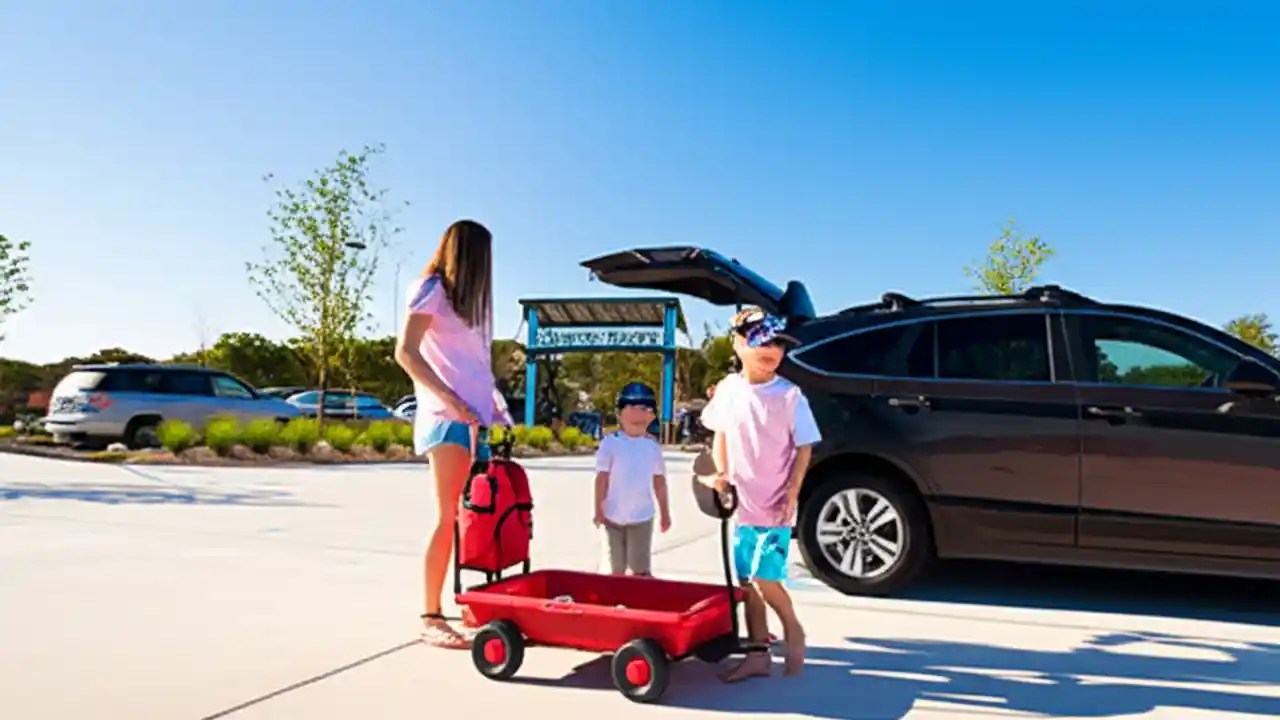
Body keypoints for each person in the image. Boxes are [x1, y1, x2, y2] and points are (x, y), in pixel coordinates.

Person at [395, 219, 511, 649]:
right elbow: (405, 352)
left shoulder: (466, 306)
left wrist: (493, 407)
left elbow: (474, 365)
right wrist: (452, 398)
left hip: (472, 421)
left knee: (468, 518)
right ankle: (430, 614)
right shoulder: (431, 291)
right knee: (447, 516)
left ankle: (463, 603)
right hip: (446, 420)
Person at [700, 307, 821, 680]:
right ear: (738, 345)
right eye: (760, 341)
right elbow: (719, 433)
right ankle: (757, 652)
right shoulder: (729, 391)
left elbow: (804, 447)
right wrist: (721, 474)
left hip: (774, 504)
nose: (771, 350)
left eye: (777, 343)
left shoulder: (789, 395)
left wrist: (792, 492)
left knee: (765, 577)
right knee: (746, 581)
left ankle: (792, 627)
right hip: (742, 502)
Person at [593, 382, 672, 576]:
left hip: (641, 517)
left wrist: (665, 512)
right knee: (614, 568)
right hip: (612, 517)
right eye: (631, 408)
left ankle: (640, 602)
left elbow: (659, 482)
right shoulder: (610, 444)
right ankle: (610, 602)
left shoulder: (651, 447)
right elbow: (602, 479)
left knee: (640, 569)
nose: (638, 415)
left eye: (644, 409)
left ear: (651, 415)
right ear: (620, 413)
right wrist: (598, 510)